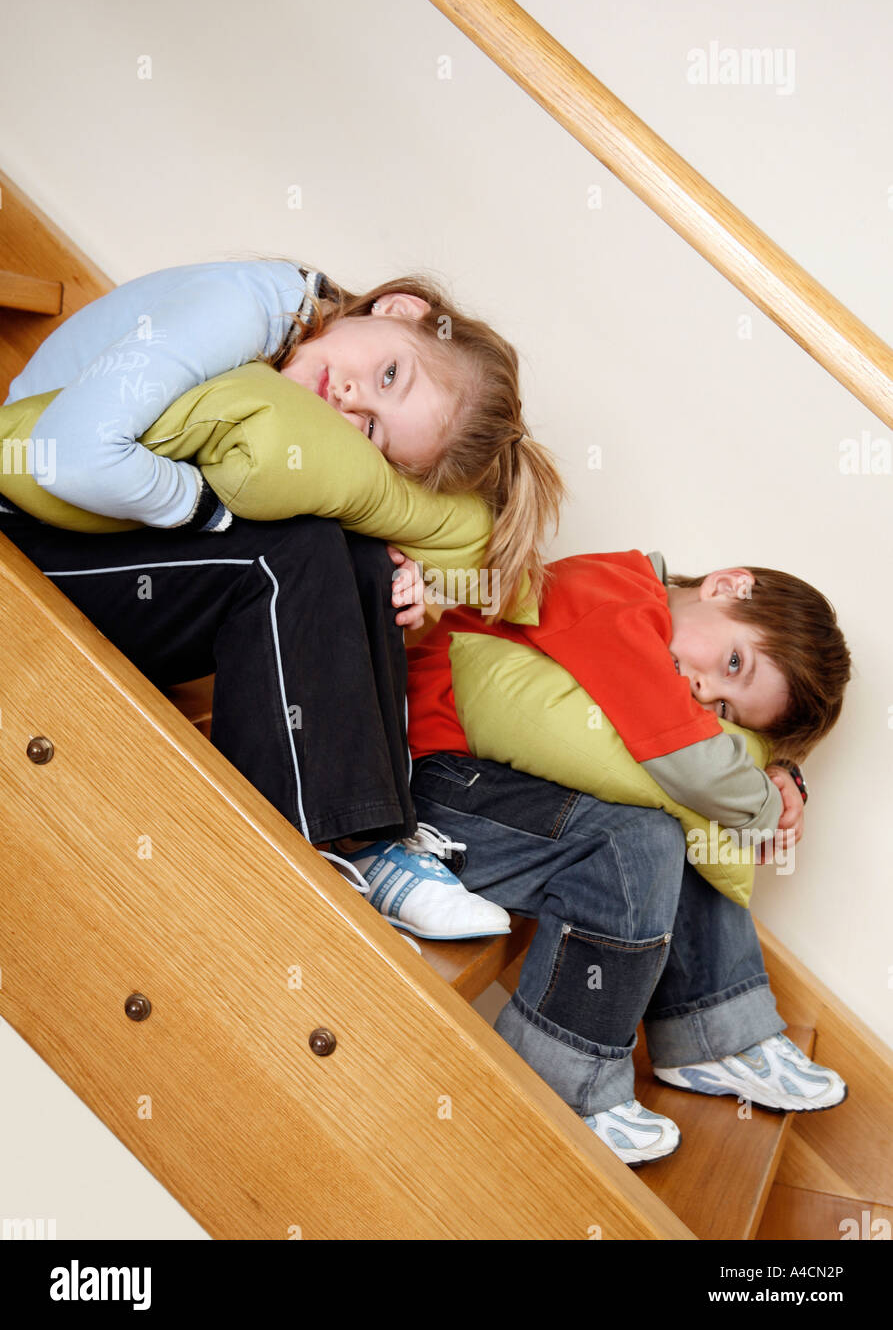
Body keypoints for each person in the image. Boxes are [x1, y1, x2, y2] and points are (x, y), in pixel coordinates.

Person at [0, 258, 564, 940]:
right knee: (286, 550)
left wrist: (411, 573)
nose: (349, 400)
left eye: (369, 430)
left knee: (357, 552)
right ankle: (296, 852)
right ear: (401, 309)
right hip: (26, 544)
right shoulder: (244, 308)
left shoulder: (302, 361)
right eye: (390, 374)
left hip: (122, 564)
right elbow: (71, 456)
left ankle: (381, 839)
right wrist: (205, 511)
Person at [405, 549, 853, 1162]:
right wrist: (769, 806)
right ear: (728, 586)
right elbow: (688, 756)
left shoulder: (647, 616)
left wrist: (778, 770)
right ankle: (557, 1083)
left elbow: (700, 753)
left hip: (508, 787)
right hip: (439, 786)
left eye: (724, 706)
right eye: (732, 663)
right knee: (637, 835)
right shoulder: (613, 599)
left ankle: (712, 1031)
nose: (703, 690)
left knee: (675, 816)